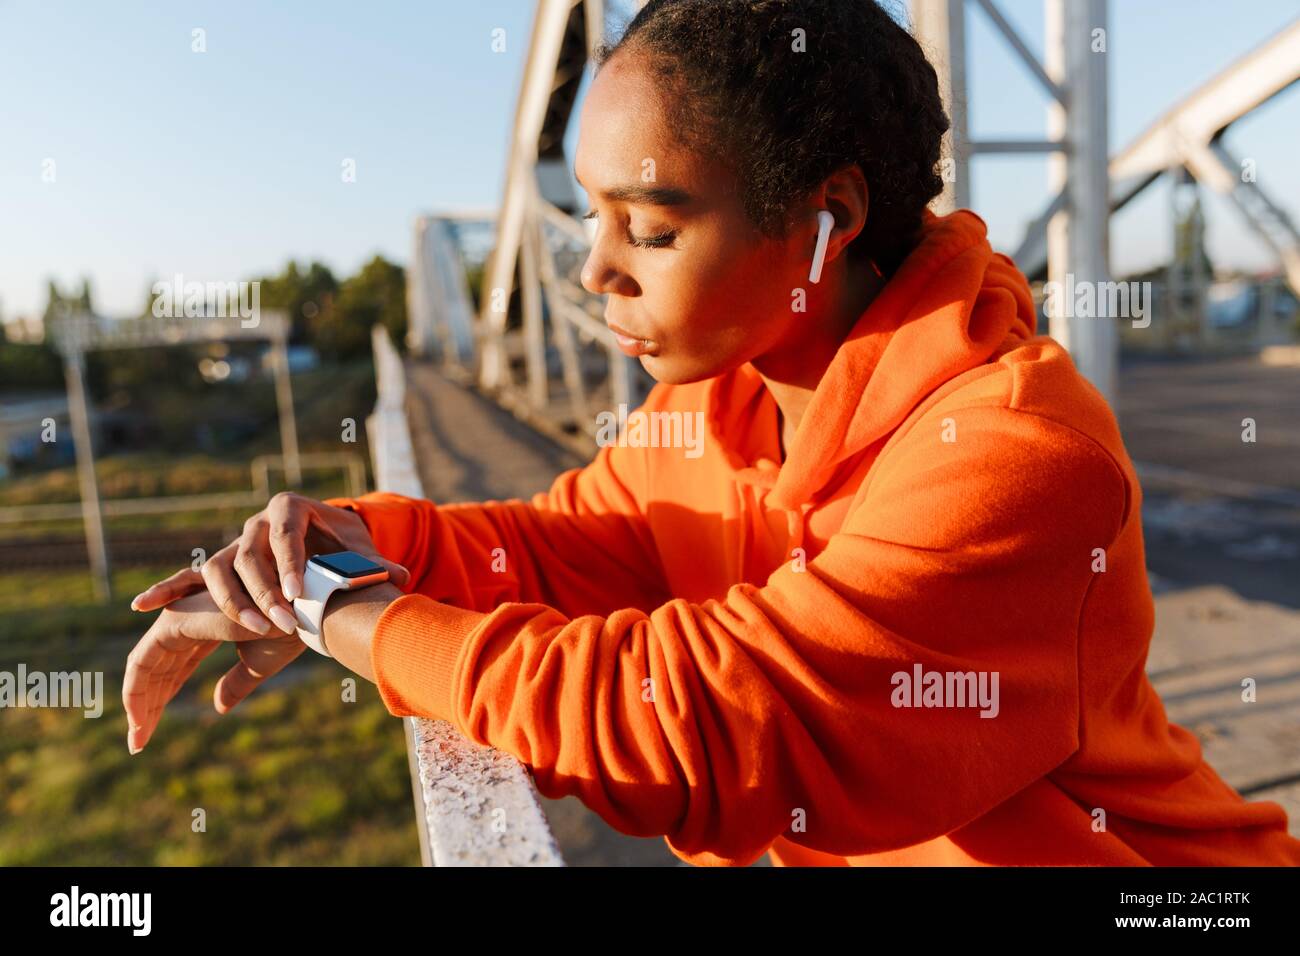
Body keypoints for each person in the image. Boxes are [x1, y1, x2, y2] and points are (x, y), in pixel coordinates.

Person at [123, 0, 1300, 867]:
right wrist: (336, 545)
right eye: (590, 216)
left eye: (651, 227)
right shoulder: (710, 405)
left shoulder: (1014, 456)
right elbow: (548, 552)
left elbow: (702, 725)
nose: (591, 270)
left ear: (826, 220)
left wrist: (344, 616)